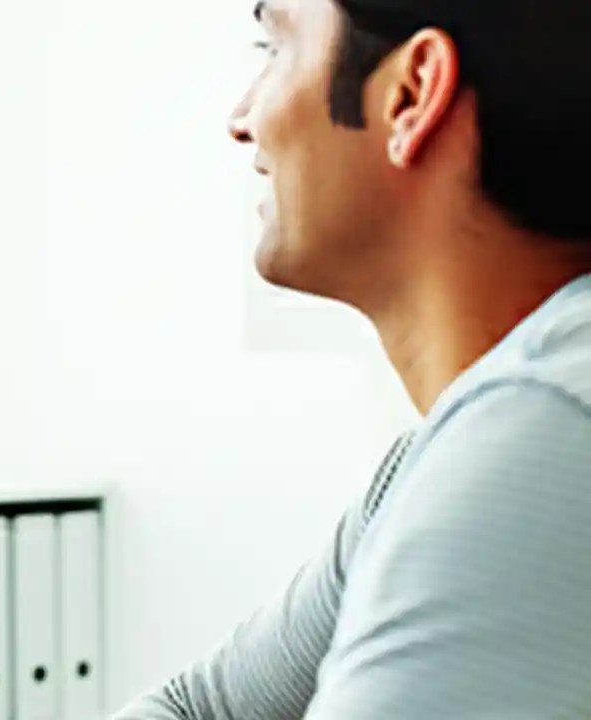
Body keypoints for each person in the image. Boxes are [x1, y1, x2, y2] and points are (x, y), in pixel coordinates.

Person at [116, 0, 591, 717]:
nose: (242, 118)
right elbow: (202, 708)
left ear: (410, 94)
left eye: (272, 48)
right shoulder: (438, 457)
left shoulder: (546, 424)